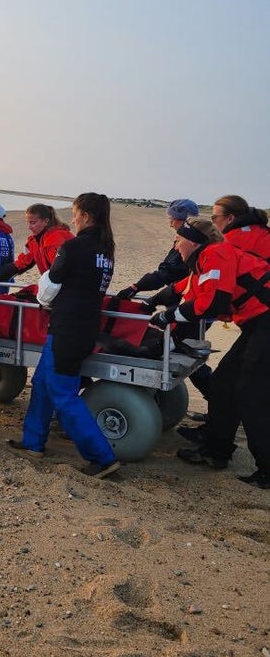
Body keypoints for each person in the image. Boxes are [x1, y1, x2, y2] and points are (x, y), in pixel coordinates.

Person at [146, 219, 270, 489]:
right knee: (224, 386)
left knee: (251, 394)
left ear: (192, 241)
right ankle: (216, 451)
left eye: (178, 240)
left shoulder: (216, 254)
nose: (175, 246)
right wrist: (150, 299)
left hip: (264, 323)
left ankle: (266, 470)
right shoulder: (206, 259)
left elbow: (212, 303)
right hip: (256, 325)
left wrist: (168, 316)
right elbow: (184, 290)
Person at [7, 192, 120, 478]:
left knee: (63, 393)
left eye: (74, 212)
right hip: (84, 325)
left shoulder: (74, 247)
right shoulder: (105, 250)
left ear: (84, 215)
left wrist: (45, 299)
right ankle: (33, 442)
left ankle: (102, 457)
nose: (72, 217)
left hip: (67, 329)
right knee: (43, 382)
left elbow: (48, 289)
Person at [115, 198, 213, 400]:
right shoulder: (195, 247)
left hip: (189, 308)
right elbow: (181, 282)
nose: (169, 222)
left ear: (182, 220)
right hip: (188, 305)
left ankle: (220, 405)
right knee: (181, 352)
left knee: (172, 352)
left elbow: (167, 275)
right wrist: (154, 299)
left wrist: (137, 287)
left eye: (172, 218)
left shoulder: (193, 248)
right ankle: (217, 405)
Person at [0, 203, 73, 282]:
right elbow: (21, 263)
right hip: (53, 284)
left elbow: (61, 271)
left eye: (33, 223)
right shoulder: (34, 241)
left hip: (67, 286)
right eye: (28, 223)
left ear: (46, 221)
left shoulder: (55, 238)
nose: (29, 227)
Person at [211, 195, 270, 261]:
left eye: (214, 217)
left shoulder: (227, 242)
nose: (213, 222)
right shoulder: (264, 231)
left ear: (230, 218)